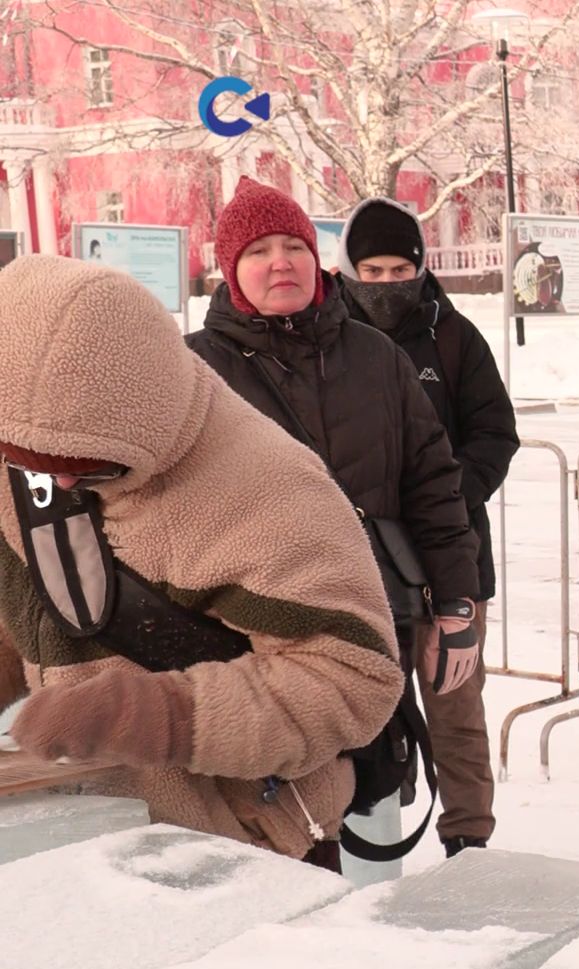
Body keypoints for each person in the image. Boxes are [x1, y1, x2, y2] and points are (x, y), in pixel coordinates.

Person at [0, 254, 402, 863]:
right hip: (88, 846)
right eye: (25, 461)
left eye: (82, 467)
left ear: (135, 420)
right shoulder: (24, 447)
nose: (49, 485)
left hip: (248, 851)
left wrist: (145, 715)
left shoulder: (270, 486)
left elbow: (350, 680)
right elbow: (26, 610)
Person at [186, 176, 480, 863]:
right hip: (248, 630)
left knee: (376, 784)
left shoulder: (376, 357)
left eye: (293, 244)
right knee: (275, 799)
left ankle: (372, 928)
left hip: (375, 617)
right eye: (259, 250)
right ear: (231, 270)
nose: (280, 261)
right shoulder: (194, 370)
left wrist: (457, 606)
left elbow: (434, 486)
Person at [335, 196, 519, 858]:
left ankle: (468, 838)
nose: (386, 285)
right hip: (360, 566)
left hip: (452, 558)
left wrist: (443, 497)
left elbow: (495, 433)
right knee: (364, 708)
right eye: (372, 271)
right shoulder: (326, 337)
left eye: (397, 270)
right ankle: (364, 836)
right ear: (350, 269)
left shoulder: (454, 336)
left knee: (456, 709)